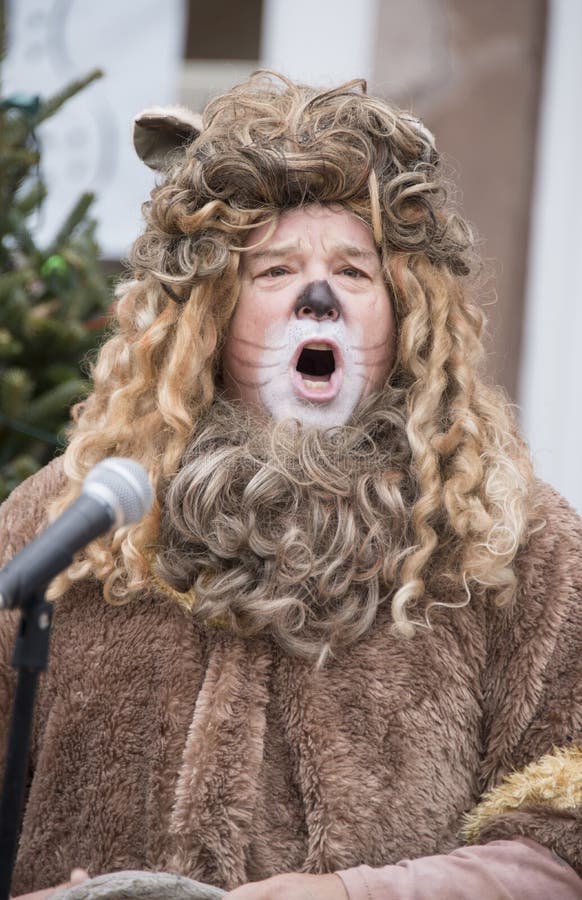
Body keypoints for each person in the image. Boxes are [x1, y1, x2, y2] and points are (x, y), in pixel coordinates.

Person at [1, 72, 581, 898]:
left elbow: (564, 840)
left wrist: (348, 897)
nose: (320, 298)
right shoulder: (73, 515)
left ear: (407, 310)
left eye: (354, 271)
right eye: (274, 271)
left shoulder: (509, 535)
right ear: (210, 307)